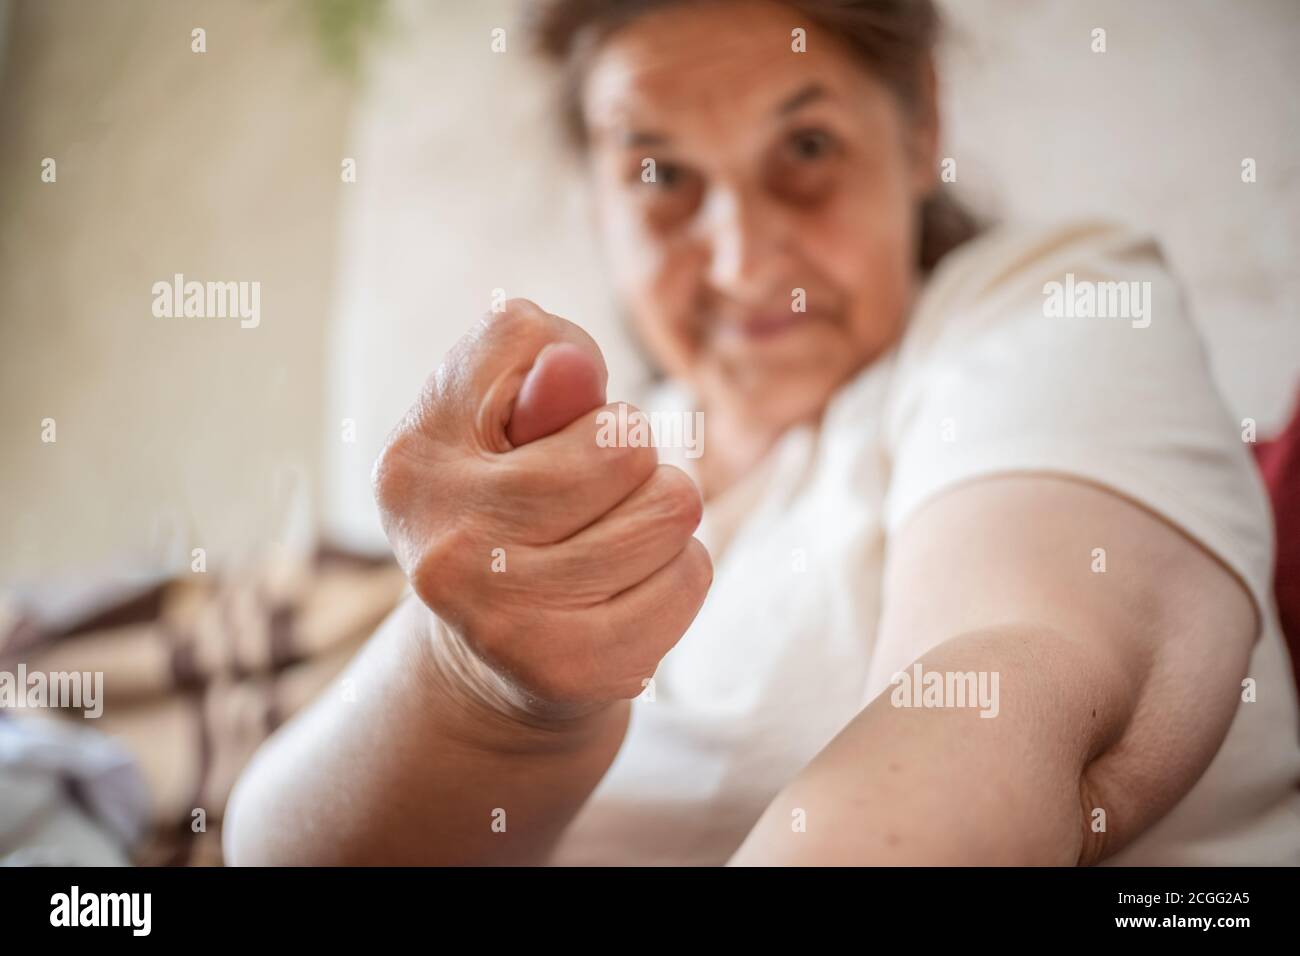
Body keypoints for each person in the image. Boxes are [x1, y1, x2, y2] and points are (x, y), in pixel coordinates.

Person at [224, 0, 1300, 865]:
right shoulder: (603, 455)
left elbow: (1012, 693)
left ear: (919, 124)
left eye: (807, 145)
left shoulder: (1041, 303)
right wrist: (483, 679)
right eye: (660, 175)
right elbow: (279, 846)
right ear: (596, 194)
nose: (741, 260)